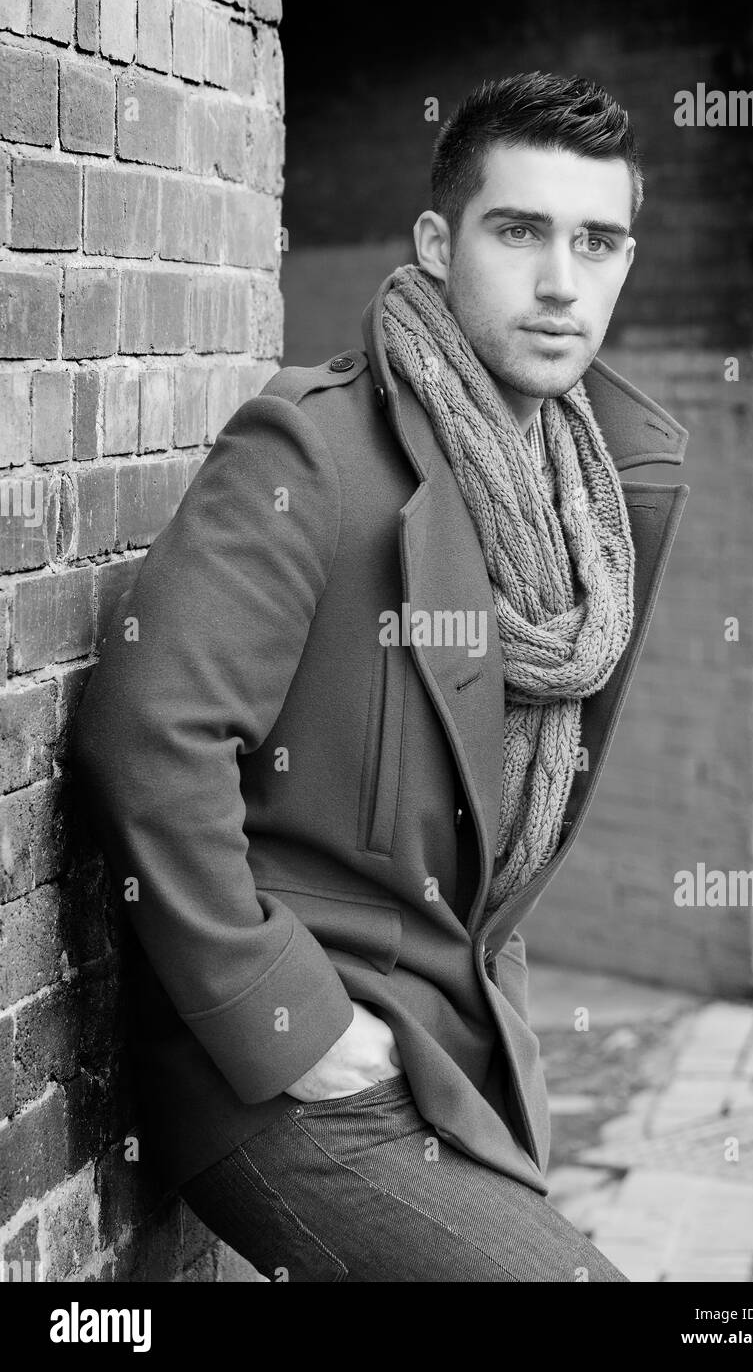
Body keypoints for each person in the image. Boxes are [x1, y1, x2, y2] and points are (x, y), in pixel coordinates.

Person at [71, 71, 689, 1282]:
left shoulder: (592, 507)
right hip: (289, 1074)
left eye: (597, 240)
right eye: (518, 231)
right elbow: (147, 734)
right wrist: (292, 1022)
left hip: (449, 1048)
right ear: (436, 242)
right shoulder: (315, 446)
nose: (562, 280)